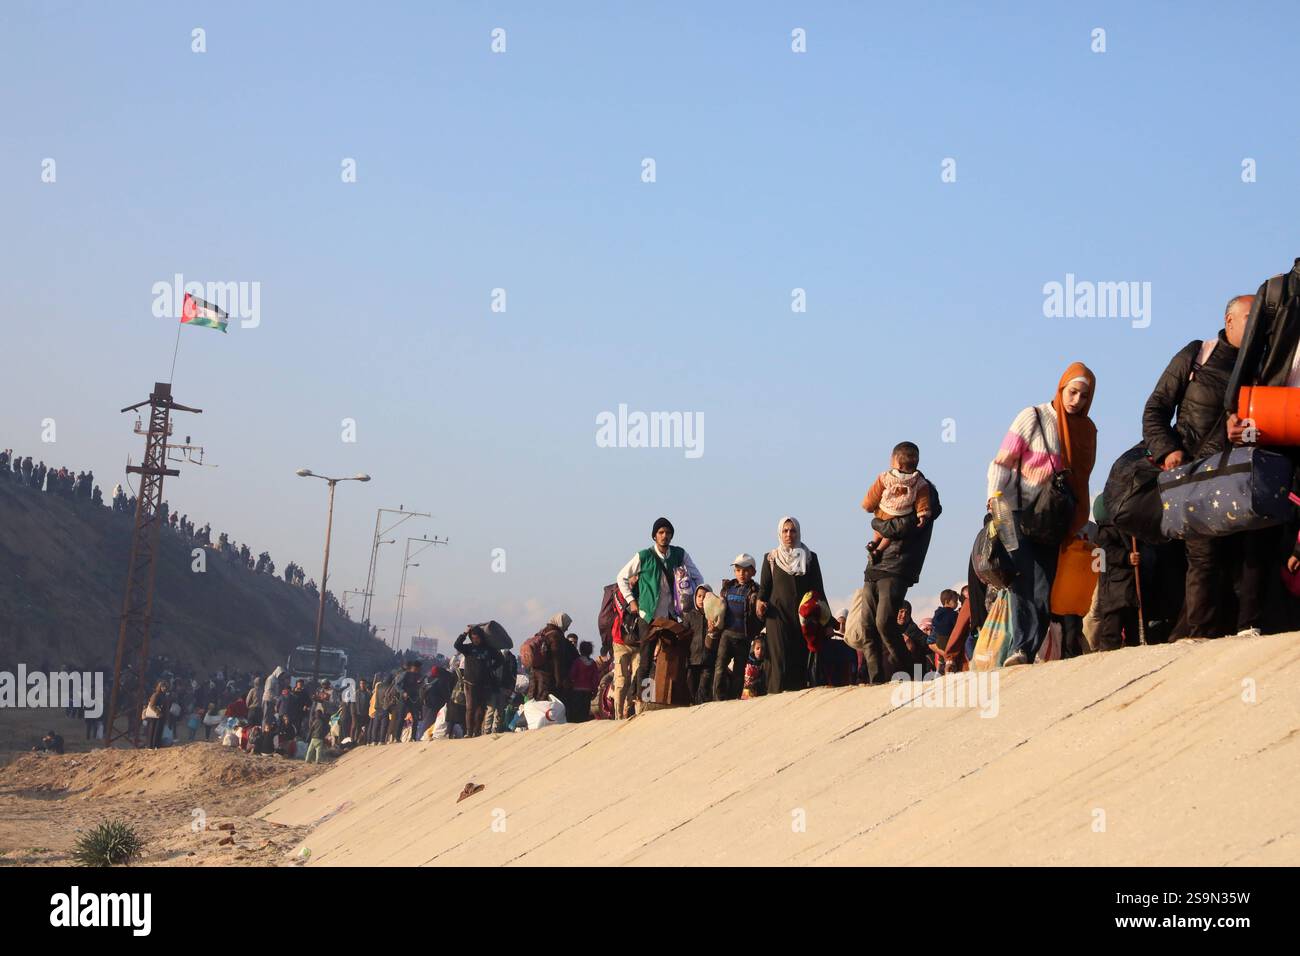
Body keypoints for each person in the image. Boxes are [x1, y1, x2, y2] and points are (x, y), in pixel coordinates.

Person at [1144, 295, 1252, 638]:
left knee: (1244, 561)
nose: (1256, 325)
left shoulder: (1265, 366)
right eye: (1249, 317)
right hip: (1193, 478)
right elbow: (1155, 409)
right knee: (1203, 558)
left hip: (1241, 480)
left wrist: (1247, 431)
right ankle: (1199, 640)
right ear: (1229, 320)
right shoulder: (1197, 354)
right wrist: (1168, 451)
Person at [987, 362, 1097, 665]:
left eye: (1084, 396)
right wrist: (994, 500)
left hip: (1054, 519)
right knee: (1023, 576)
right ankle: (1021, 647)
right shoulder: (1033, 417)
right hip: (1016, 512)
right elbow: (1002, 462)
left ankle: (1029, 650)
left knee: (1044, 586)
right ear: (1061, 389)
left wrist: (1078, 521)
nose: (1076, 401)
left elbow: (1082, 482)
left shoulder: (1085, 431)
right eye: (1072, 392)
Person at [860, 444, 944, 683]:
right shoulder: (892, 484)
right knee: (868, 625)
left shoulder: (920, 489)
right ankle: (876, 679)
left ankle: (909, 673)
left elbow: (901, 527)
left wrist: (876, 524)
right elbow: (873, 507)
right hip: (876, 564)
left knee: (884, 622)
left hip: (898, 565)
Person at [756, 517, 825, 694]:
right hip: (777, 617)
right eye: (785, 531)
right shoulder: (771, 558)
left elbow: (818, 590)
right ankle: (774, 698)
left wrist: (828, 622)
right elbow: (764, 590)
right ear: (780, 533)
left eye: (793, 531)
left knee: (799, 660)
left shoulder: (810, 558)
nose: (789, 535)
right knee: (779, 661)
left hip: (803, 618)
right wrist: (759, 603)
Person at [863, 442, 932, 561]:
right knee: (888, 534)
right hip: (899, 513)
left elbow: (872, 496)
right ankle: (878, 550)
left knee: (884, 529)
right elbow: (922, 499)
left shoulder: (885, 477)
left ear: (897, 464)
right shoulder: (920, 482)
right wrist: (922, 514)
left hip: (884, 511)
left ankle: (875, 544)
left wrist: (867, 506)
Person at [713, 555, 763, 701]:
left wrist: (755, 632)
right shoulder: (728, 588)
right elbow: (718, 609)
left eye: (746, 570)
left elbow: (761, 616)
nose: (741, 573)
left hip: (744, 636)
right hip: (727, 634)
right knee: (720, 667)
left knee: (739, 672)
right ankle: (718, 699)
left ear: (753, 572)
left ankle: (734, 699)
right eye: (738, 570)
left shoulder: (756, 591)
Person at [455, 628, 504, 738]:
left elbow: (500, 659)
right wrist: (464, 633)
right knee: (470, 708)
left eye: (477, 637)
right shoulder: (468, 648)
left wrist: (491, 667)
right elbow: (457, 645)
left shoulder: (488, 649)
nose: (475, 640)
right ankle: (469, 731)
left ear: (481, 637)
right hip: (470, 683)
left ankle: (477, 731)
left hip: (484, 683)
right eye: (473, 638)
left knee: (481, 708)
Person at [568, 641, 599, 722]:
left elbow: (572, 674)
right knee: (585, 710)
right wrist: (595, 690)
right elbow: (595, 678)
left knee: (577, 710)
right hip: (588, 691)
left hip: (577, 690)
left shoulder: (577, 662)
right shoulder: (593, 663)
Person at [305, 691, 330, 764]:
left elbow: (311, 730)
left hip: (313, 737)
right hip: (320, 738)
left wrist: (308, 737)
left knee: (310, 749)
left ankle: (307, 759)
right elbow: (326, 729)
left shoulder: (315, 721)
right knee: (318, 750)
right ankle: (317, 760)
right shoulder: (323, 722)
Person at [143, 681, 169, 749]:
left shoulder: (164, 695)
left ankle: (157, 745)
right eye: (163, 687)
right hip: (154, 716)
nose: (164, 688)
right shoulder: (156, 695)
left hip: (160, 716)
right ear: (159, 687)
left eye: (165, 687)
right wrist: (158, 712)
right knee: (152, 731)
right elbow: (152, 705)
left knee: (158, 731)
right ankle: (150, 746)